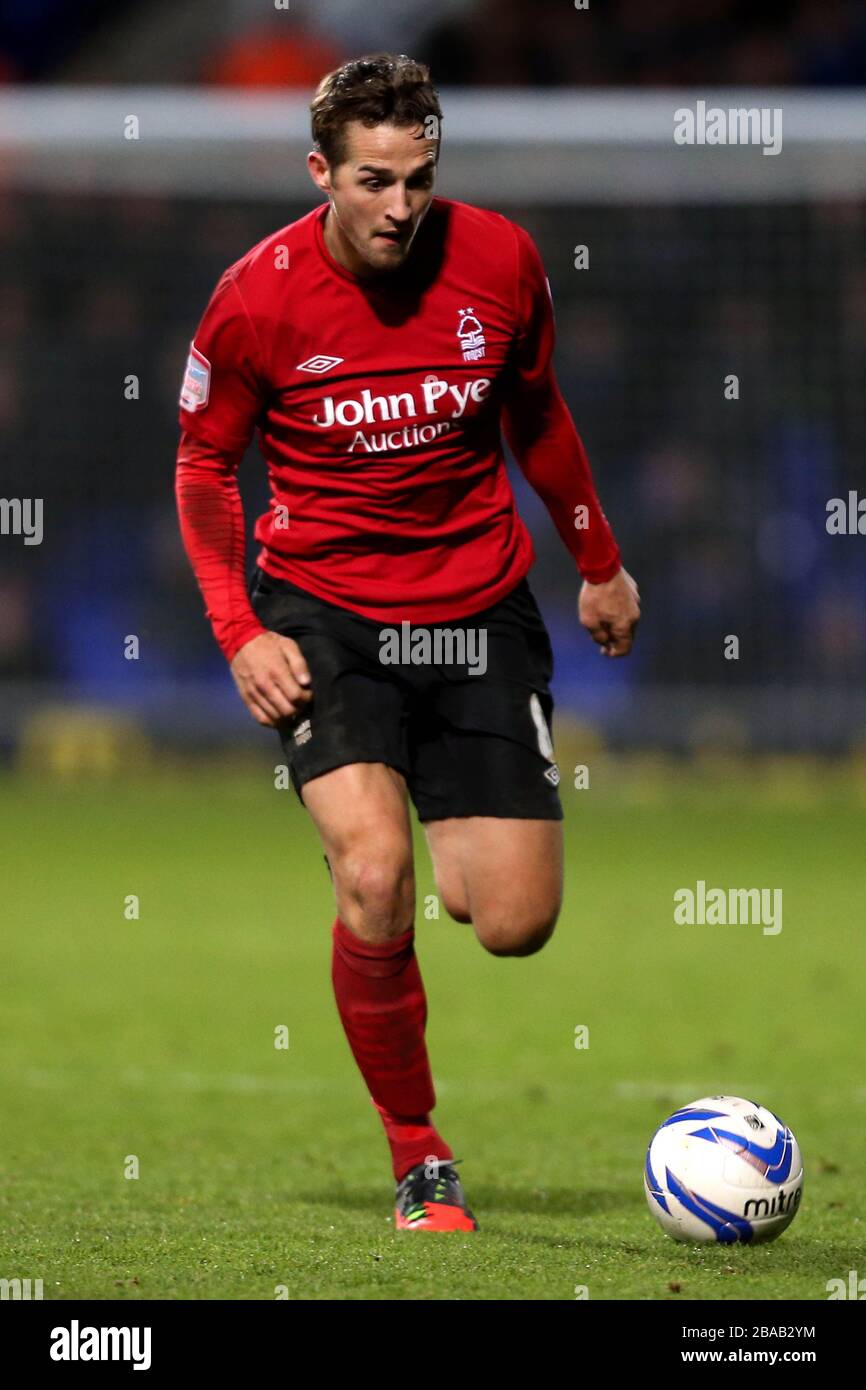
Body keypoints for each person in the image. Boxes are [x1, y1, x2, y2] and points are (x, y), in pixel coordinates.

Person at [175, 53, 640, 1232]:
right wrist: (237, 629)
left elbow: (535, 412)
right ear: (319, 170)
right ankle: (418, 1154)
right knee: (373, 875)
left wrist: (596, 559)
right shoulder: (253, 298)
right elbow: (202, 464)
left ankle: (431, 805)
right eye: (373, 180)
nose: (398, 206)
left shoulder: (499, 261)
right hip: (323, 612)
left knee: (511, 923)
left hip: (476, 605)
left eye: (418, 178)